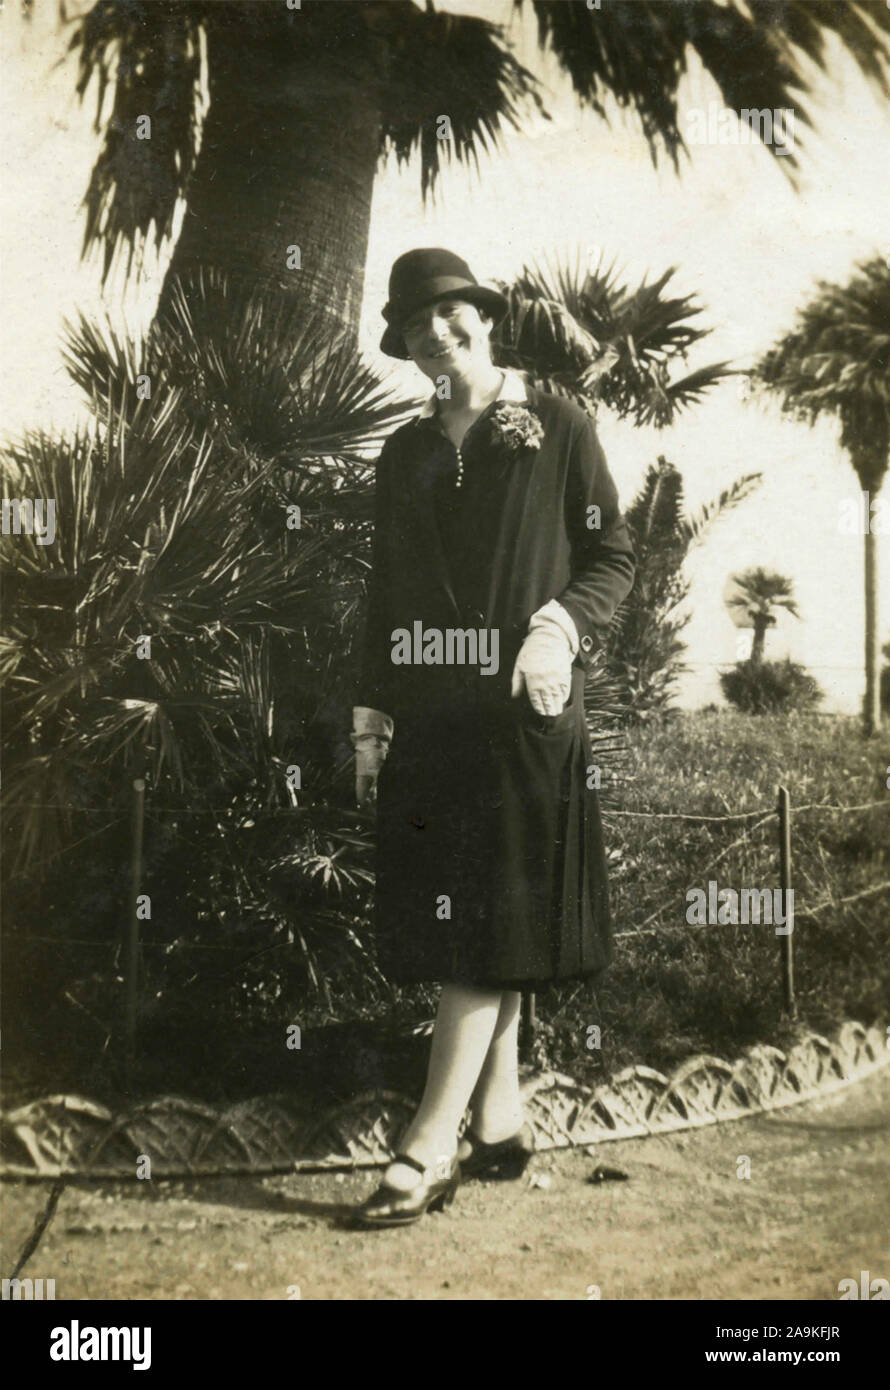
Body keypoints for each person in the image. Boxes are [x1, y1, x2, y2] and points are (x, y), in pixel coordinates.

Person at [350, 248, 635, 1228]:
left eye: (449, 311)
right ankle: (501, 1123)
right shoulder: (404, 452)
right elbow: (385, 589)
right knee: (475, 925)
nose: (437, 333)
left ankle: (425, 1147)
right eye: (416, 324)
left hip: (525, 718)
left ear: (480, 314)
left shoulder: (555, 424)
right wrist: (369, 707)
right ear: (407, 343)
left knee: (477, 924)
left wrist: (557, 627)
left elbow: (609, 554)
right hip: (431, 716)